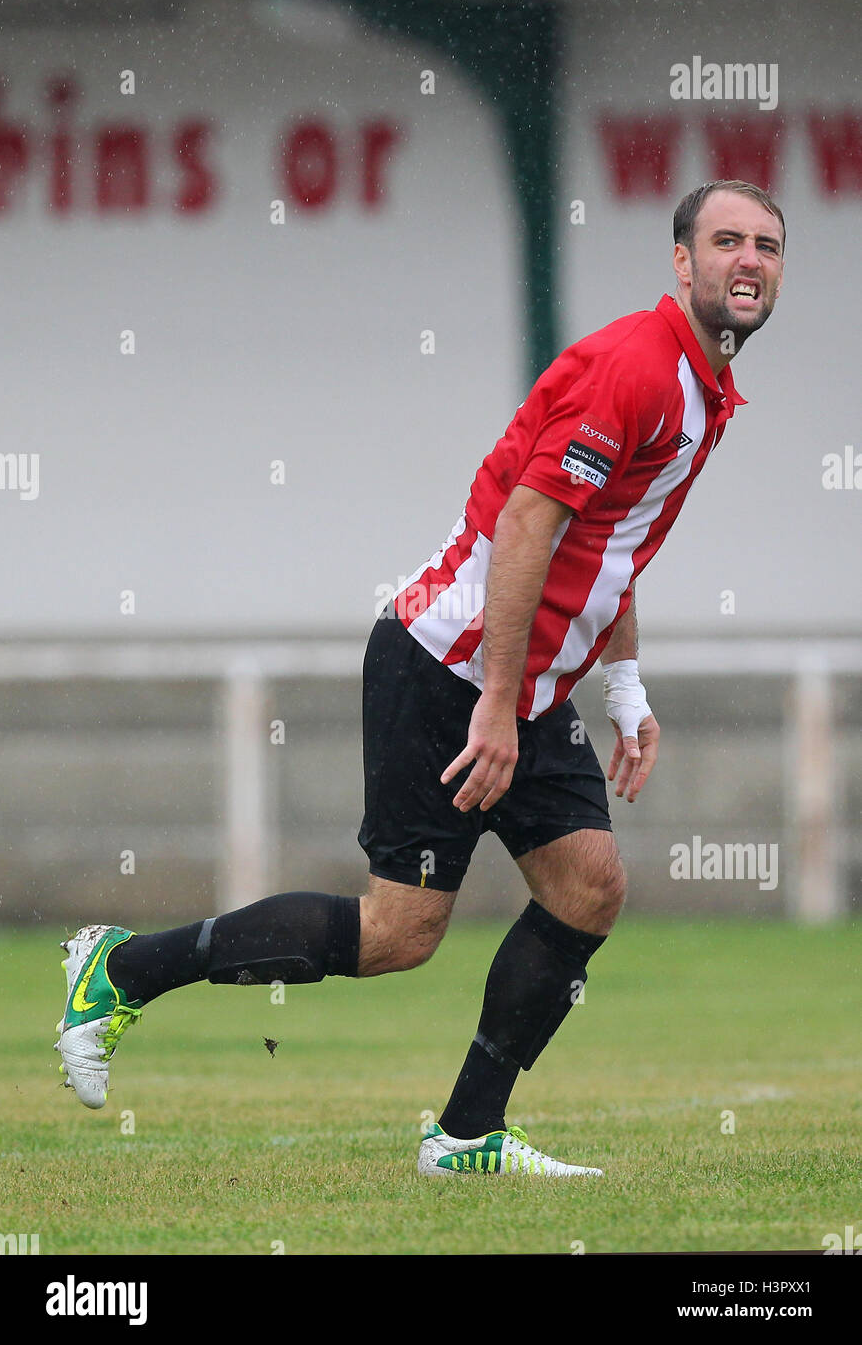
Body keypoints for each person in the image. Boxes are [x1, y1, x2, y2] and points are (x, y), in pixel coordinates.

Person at [55, 179, 784, 1178]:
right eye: (726, 241)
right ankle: (120, 967)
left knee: (588, 885)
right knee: (399, 932)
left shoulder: (706, 390)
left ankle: (464, 1134)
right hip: (445, 669)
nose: (748, 260)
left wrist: (622, 690)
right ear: (680, 262)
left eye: (767, 247)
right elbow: (529, 522)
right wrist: (493, 699)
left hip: (515, 689)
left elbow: (606, 550)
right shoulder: (637, 368)